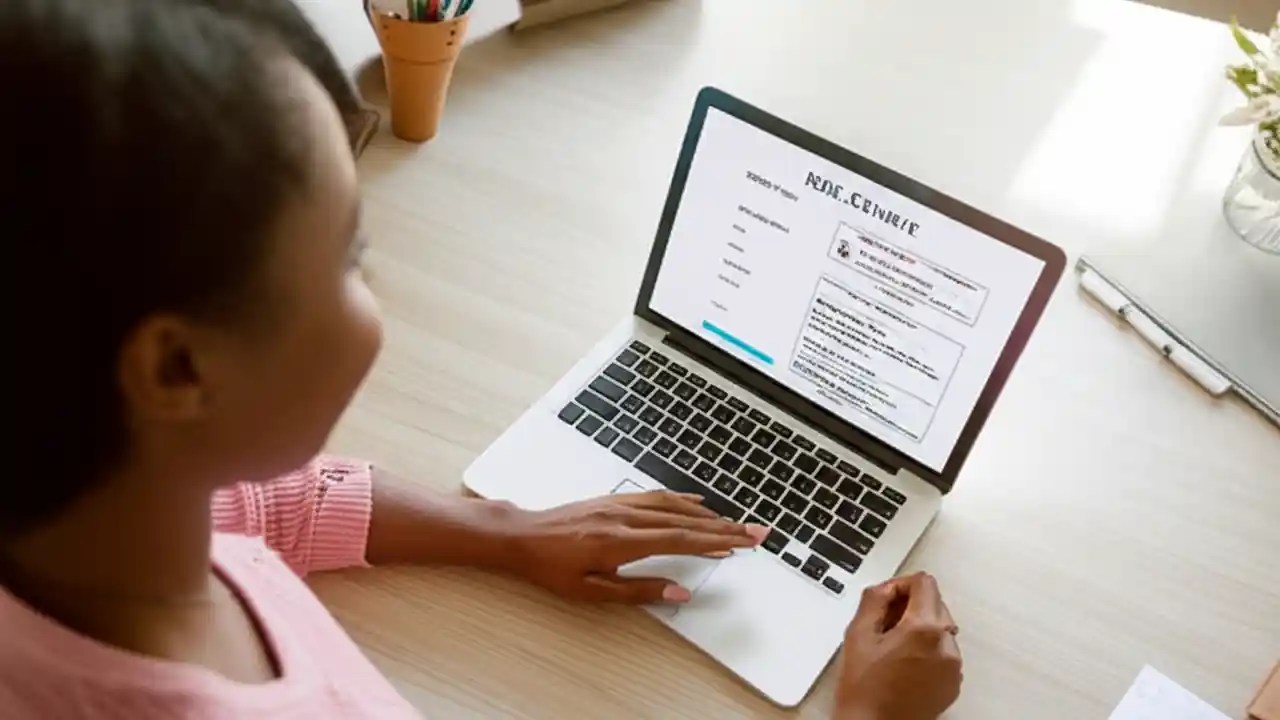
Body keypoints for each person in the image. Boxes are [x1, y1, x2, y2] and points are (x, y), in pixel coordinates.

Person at [0, 0, 962, 717]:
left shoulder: (100, 520)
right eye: (349, 255)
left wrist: (503, 531)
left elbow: (255, 508)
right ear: (178, 372)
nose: (376, 283)